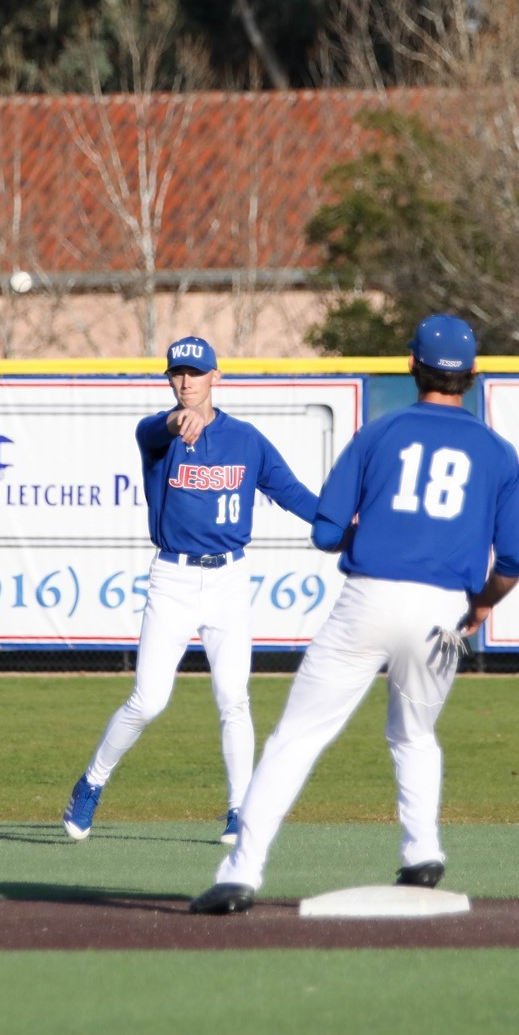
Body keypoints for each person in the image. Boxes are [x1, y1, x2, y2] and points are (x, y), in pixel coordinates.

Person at [191, 314, 519, 914]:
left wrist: (363, 533)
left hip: (369, 598)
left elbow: (325, 530)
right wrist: (481, 606)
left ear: (410, 366)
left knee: (296, 737)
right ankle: (422, 851)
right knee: (414, 733)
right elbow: (513, 559)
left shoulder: (380, 432)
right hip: (444, 612)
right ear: (473, 375)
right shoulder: (498, 451)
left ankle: (240, 873)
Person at [63, 336, 320, 845]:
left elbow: (289, 492)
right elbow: (159, 429)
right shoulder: (156, 433)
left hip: (228, 578)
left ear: (216, 377)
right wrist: (175, 423)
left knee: (234, 698)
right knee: (149, 700)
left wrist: (340, 523)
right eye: (177, 372)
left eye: (196, 372)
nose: (186, 381)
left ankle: (239, 810)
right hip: (174, 578)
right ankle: (91, 783)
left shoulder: (246, 440)